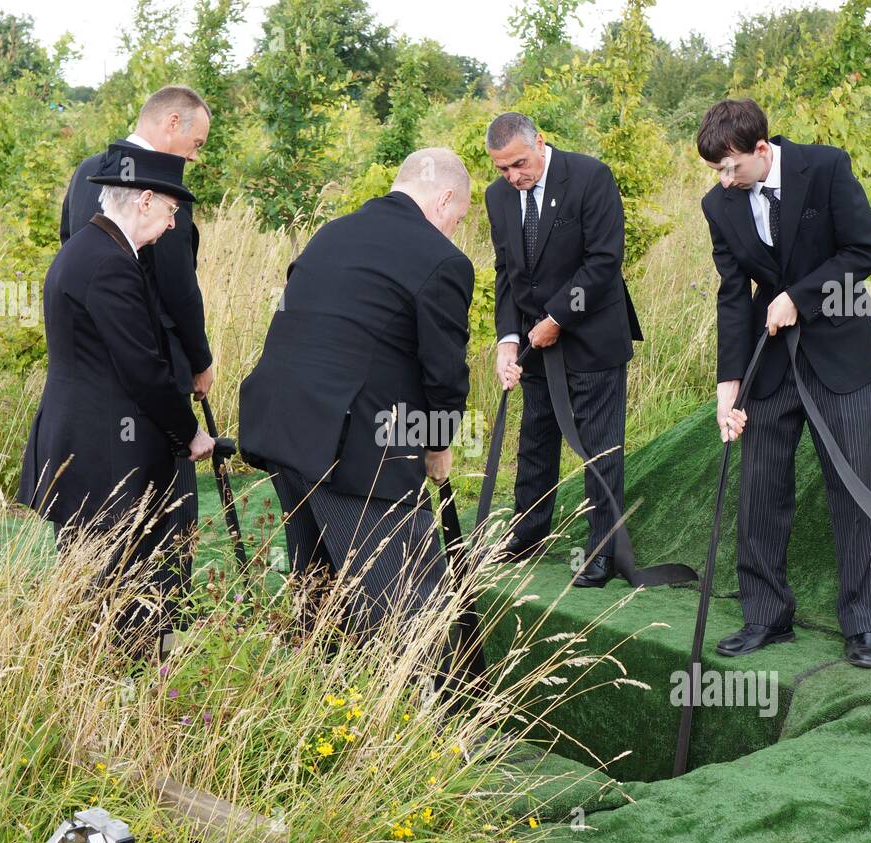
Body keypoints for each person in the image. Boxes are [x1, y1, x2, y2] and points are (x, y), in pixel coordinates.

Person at [237, 147, 473, 639]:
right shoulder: (443, 260)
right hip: (354, 448)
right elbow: (444, 371)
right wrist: (437, 444)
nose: (453, 228)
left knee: (317, 591)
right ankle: (413, 709)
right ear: (445, 198)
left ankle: (320, 697)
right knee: (404, 606)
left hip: (281, 427)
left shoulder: (332, 233)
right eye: (457, 217)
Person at [697, 97, 871, 668]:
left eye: (732, 166)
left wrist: (798, 298)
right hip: (768, 361)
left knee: (853, 491)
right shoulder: (719, 204)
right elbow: (733, 294)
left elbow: (864, 250)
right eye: (715, 170)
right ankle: (767, 616)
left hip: (840, 354)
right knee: (760, 490)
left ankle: (864, 625)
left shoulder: (825, 167)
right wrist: (728, 382)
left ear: (762, 149)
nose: (724, 181)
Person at [18, 143, 216, 659]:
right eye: (172, 211)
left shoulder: (93, 247)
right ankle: (120, 689)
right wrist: (191, 433)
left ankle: (102, 680)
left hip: (87, 439)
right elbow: (144, 371)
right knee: (119, 586)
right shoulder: (108, 263)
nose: (174, 225)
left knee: (95, 580)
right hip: (103, 451)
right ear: (145, 200)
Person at [61, 85, 214, 604]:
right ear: (172, 122)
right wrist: (199, 359)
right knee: (166, 501)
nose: (194, 156)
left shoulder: (87, 171)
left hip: (90, 363)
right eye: (195, 143)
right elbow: (178, 283)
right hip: (150, 357)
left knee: (98, 511)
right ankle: (159, 620)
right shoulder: (159, 185)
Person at [484, 111, 643, 588]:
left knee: (599, 447)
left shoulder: (590, 177)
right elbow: (506, 273)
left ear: (540, 144)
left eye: (519, 164)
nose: (513, 177)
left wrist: (557, 319)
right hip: (534, 344)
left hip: (592, 337)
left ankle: (603, 551)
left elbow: (604, 261)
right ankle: (526, 536)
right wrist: (508, 340)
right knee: (535, 440)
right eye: (502, 169)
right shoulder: (499, 197)